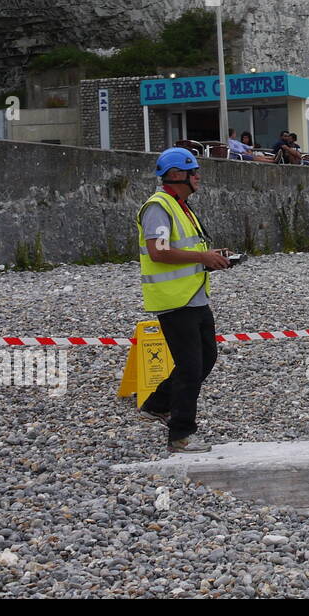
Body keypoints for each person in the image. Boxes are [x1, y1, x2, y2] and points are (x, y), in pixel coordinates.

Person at [136, 147, 231, 454]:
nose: (198, 177)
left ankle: (157, 404)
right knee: (190, 367)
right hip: (174, 300)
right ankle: (181, 435)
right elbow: (159, 252)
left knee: (206, 358)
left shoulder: (180, 205)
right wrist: (202, 256)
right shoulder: (159, 207)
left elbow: (185, 250)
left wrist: (211, 257)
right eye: (194, 172)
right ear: (177, 176)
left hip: (194, 296)